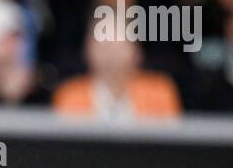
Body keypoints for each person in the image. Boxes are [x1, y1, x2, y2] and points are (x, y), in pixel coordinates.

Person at [53, 21, 183, 120]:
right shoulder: (69, 96)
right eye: (103, 41)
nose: (111, 51)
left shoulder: (160, 93)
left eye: (119, 41)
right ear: (87, 51)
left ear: (137, 51)